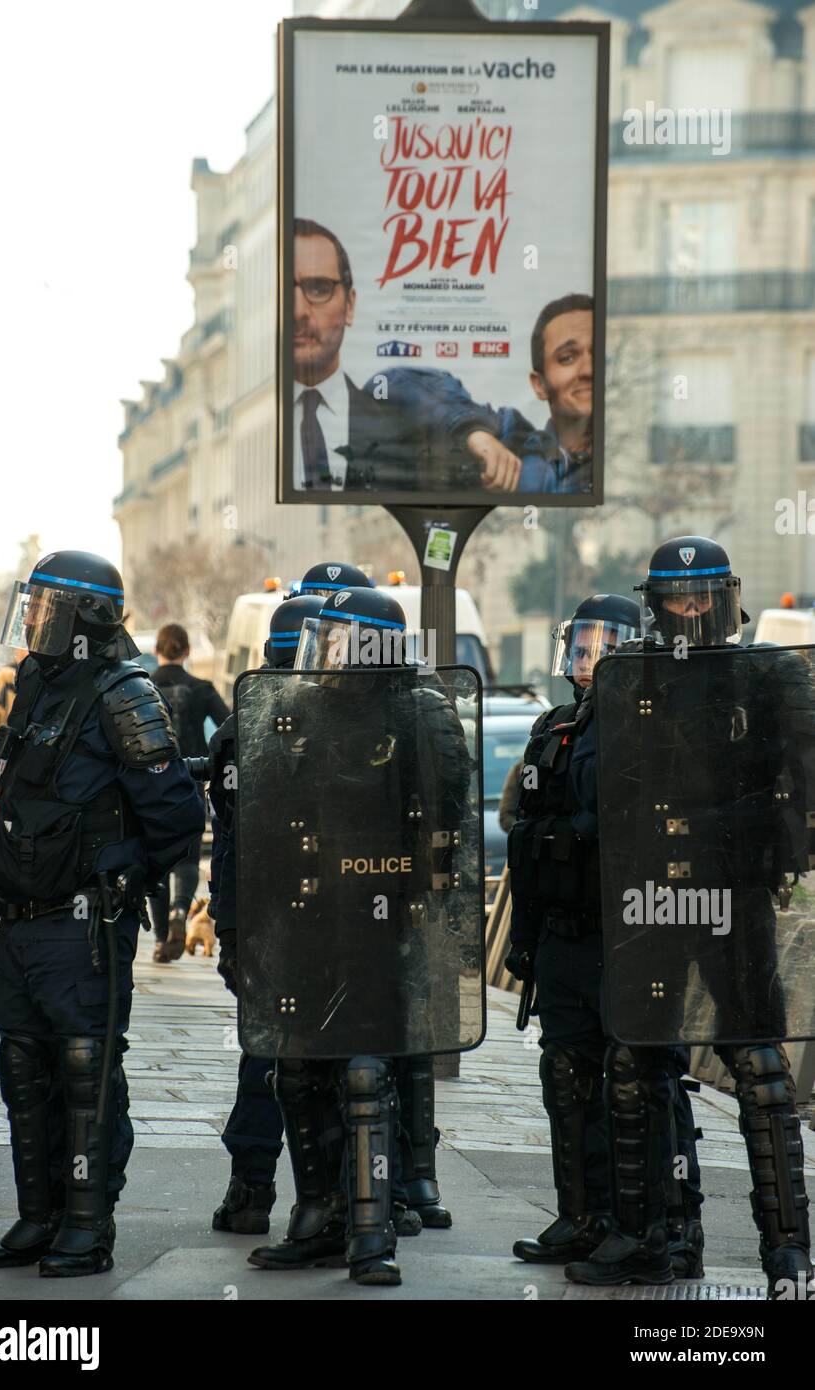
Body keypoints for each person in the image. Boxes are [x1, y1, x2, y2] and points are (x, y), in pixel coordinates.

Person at [567, 538, 814, 1297]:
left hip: (730, 890)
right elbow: (596, 789)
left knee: (759, 1068)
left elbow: (802, 777)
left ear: (725, 596)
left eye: (704, 593)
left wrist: (756, 839)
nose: (693, 608)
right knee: (634, 1062)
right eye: (679, 595)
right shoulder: (629, 676)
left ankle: (787, 1254)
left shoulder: (768, 673)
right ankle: (656, 1239)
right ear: (656, 601)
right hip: (646, 895)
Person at [0, 551, 204, 1277]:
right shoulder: (39, 686)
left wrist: (123, 875)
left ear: (83, 617)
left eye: (45, 609)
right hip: (20, 920)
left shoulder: (121, 691)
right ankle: (37, 1217)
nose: (33, 622)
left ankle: (86, 1226)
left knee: (84, 1072)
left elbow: (177, 814)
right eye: (31, 607)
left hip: (83, 928)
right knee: (23, 1067)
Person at [244, 587, 476, 1284]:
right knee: (297, 1067)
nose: (326, 652)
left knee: (366, 1073)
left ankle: (370, 1232)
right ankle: (317, 1215)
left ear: (372, 644)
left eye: (340, 638)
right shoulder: (297, 705)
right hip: (305, 914)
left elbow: (445, 819)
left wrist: (409, 894)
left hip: (379, 922)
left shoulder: (418, 711)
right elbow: (263, 804)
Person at [505, 594, 703, 1272]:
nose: (587, 658)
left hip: (632, 932)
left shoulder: (653, 723)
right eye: (581, 643)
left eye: (603, 644)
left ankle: (657, 1231)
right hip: (565, 933)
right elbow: (524, 835)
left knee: (638, 1078)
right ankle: (583, 1215)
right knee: (566, 1070)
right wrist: (524, 937)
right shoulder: (553, 726)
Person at [208, 593, 325, 1236]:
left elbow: (227, 849)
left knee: (268, 1056)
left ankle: (254, 1192)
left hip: (275, 925)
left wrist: (229, 930)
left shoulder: (244, 724)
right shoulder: (352, 718)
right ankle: (360, 1202)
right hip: (316, 926)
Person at [291, 218, 518, 494]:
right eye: (283, 290)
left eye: (318, 289)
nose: (298, 311)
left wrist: (473, 431)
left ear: (350, 306)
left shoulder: (394, 422)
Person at [376, 294, 594, 496]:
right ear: (540, 385)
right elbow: (390, 381)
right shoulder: (516, 444)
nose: (588, 370)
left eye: (597, 353)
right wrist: (472, 431)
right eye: (567, 357)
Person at [149, 623, 228, 963]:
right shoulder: (201, 688)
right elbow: (228, 725)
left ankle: (160, 937)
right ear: (186, 652)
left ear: (157, 650)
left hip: (149, 785)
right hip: (190, 780)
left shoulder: (144, 687)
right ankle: (181, 911)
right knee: (187, 855)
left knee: (153, 859)